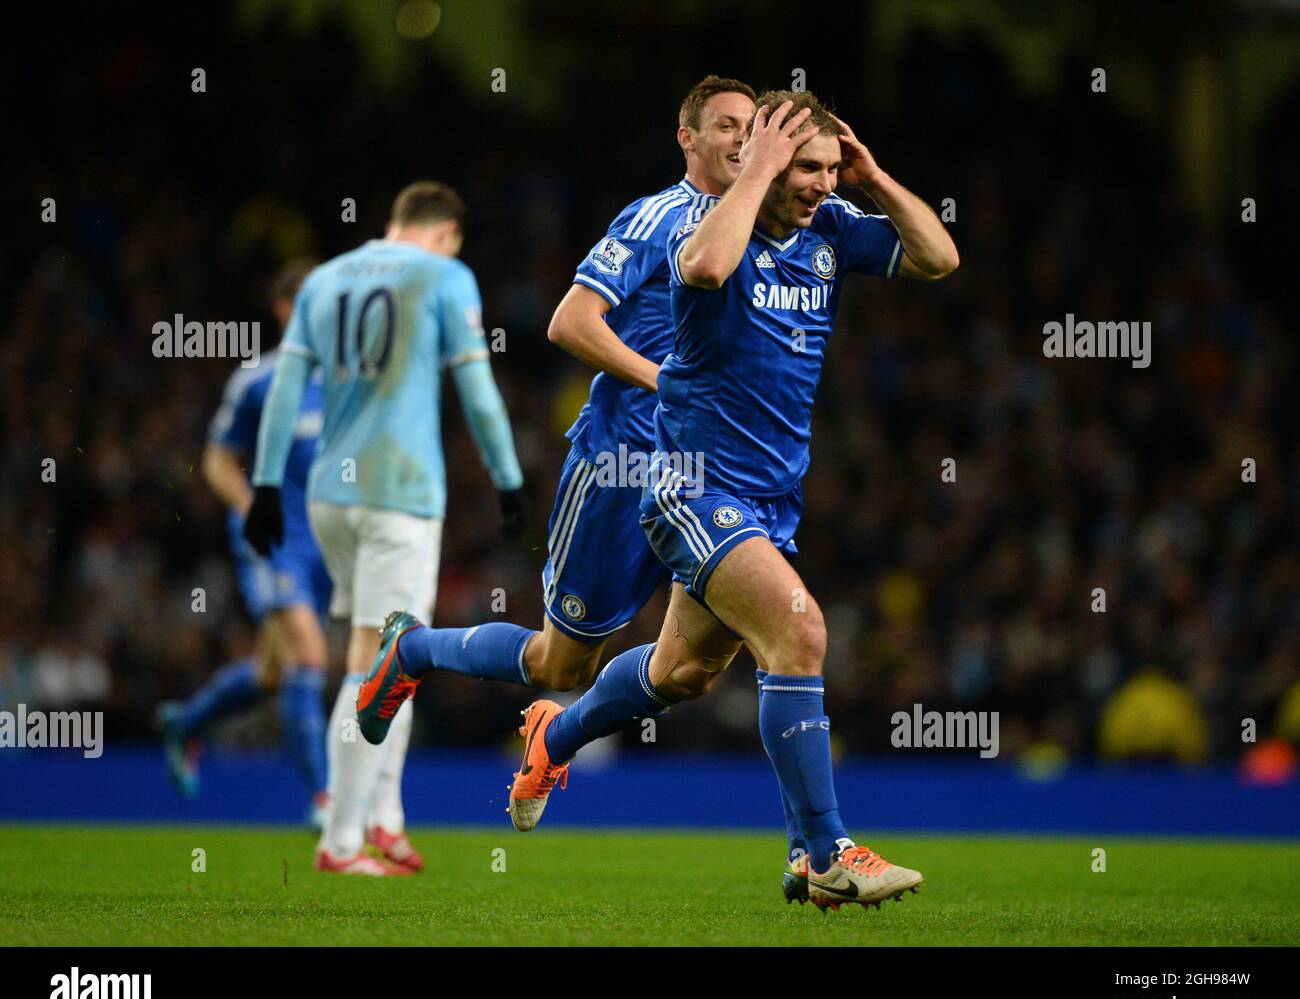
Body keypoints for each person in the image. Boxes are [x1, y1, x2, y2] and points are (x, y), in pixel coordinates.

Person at [515, 90, 958, 911]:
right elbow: (706, 270)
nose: (822, 184)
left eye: (831, 168)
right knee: (799, 630)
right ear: (765, 163)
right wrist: (755, 172)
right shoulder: (707, 225)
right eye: (807, 167)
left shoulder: (831, 227)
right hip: (693, 484)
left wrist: (872, 178)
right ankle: (824, 852)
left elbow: (939, 258)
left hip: (771, 495)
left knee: (682, 671)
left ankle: (555, 734)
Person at [244, 182, 526, 875]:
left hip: (328, 496)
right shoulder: (443, 276)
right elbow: (477, 389)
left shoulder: (325, 278)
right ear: (446, 233)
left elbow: (286, 386)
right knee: (389, 658)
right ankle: (342, 840)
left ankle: (385, 817)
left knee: (379, 652)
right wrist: (507, 475)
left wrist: (266, 483)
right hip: (398, 491)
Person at [157, 259, 332, 828]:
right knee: (310, 655)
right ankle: (325, 800)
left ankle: (186, 723)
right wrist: (250, 506)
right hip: (274, 536)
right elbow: (216, 458)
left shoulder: (346, 382)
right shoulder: (257, 380)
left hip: (326, 543)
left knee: (273, 673)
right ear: (284, 309)